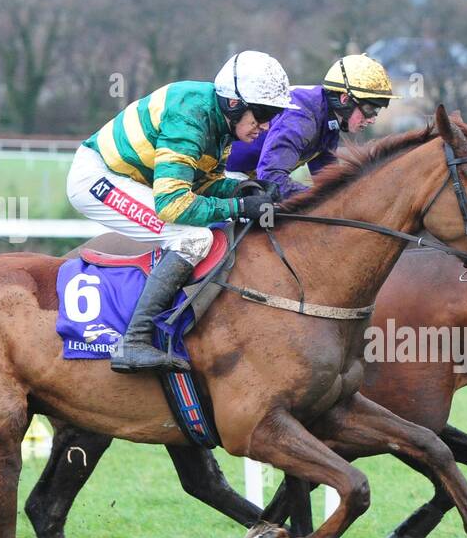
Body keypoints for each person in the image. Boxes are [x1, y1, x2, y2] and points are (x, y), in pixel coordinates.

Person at [66, 50, 295, 373]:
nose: (266, 125)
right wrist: (240, 207)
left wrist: (242, 189)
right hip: (98, 178)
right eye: (261, 113)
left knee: (224, 202)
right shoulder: (190, 115)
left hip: (134, 178)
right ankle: (133, 342)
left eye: (274, 114)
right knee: (193, 239)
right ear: (233, 103)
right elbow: (173, 204)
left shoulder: (221, 121)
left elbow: (203, 183)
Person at [226, 53, 400, 197]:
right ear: (344, 99)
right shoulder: (303, 118)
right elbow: (271, 178)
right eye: (369, 109)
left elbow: (329, 180)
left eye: (376, 111)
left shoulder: (328, 119)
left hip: (252, 175)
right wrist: (319, 199)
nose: (372, 119)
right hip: (226, 173)